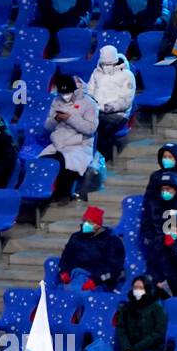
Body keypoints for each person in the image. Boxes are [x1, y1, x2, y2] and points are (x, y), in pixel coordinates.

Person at [40, 72, 97, 202]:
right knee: (45, 160)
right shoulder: (56, 101)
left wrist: (70, 118)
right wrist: (56, 119)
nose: (65, 96)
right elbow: (48, 127)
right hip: (58, 142)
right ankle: (45, 193)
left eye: (68, 93)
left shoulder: (89, 103)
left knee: (66, 162)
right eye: (62, 93)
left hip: (79, 144)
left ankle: (63, 194)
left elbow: (90, 129)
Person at [55, 206, 124, 293]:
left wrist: (95, 281)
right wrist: (64, 272)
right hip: (75, 276)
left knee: (78, 292)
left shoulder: (111, 241)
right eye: (84, 221)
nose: (85, 224)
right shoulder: (76, 237)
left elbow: (114, 267)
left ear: (97, 224)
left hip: (97, 280)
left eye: (89, 222)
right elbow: (66, 257)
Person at [86, 45, 135, 164]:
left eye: (109, 64)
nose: (106, 66)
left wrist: (108, 107)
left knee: (102, 127)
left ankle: (103, 159)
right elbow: (89, 91)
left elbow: (126, 100)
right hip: (97, 111)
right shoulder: (96, 73)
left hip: (118, 114)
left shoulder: (127, 75)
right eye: (104, 63)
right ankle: (87, 158)